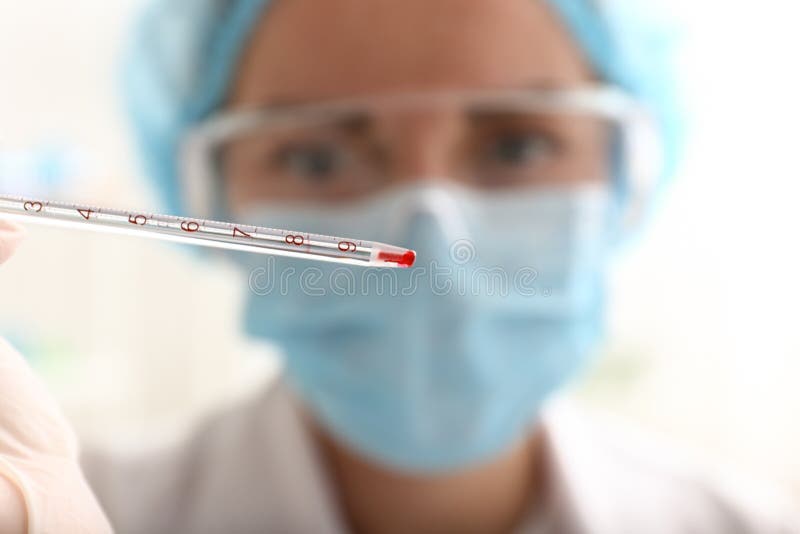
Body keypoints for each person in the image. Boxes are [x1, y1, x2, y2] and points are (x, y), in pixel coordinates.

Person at [0, 0, 797, 532]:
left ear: (632, 169)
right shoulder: (61, 509)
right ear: (206, 198)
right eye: (314, 156)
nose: (426, 236)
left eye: (515, 144)